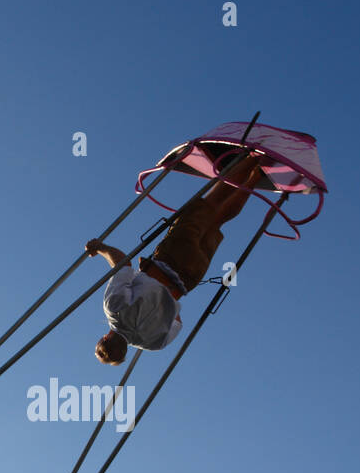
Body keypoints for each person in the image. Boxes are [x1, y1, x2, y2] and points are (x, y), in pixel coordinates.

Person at [89, 153, 264, 364]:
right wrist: (100, 247)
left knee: (217, 222)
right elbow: (122, 263)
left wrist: (160, 302)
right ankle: (253, 159)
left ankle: (256, 176)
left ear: (125, 352)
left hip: (190, 278)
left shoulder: (152, 343)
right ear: (105, 337)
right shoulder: (114, 309)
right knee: (207, 206)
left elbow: (177, 320)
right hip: (171, 258)